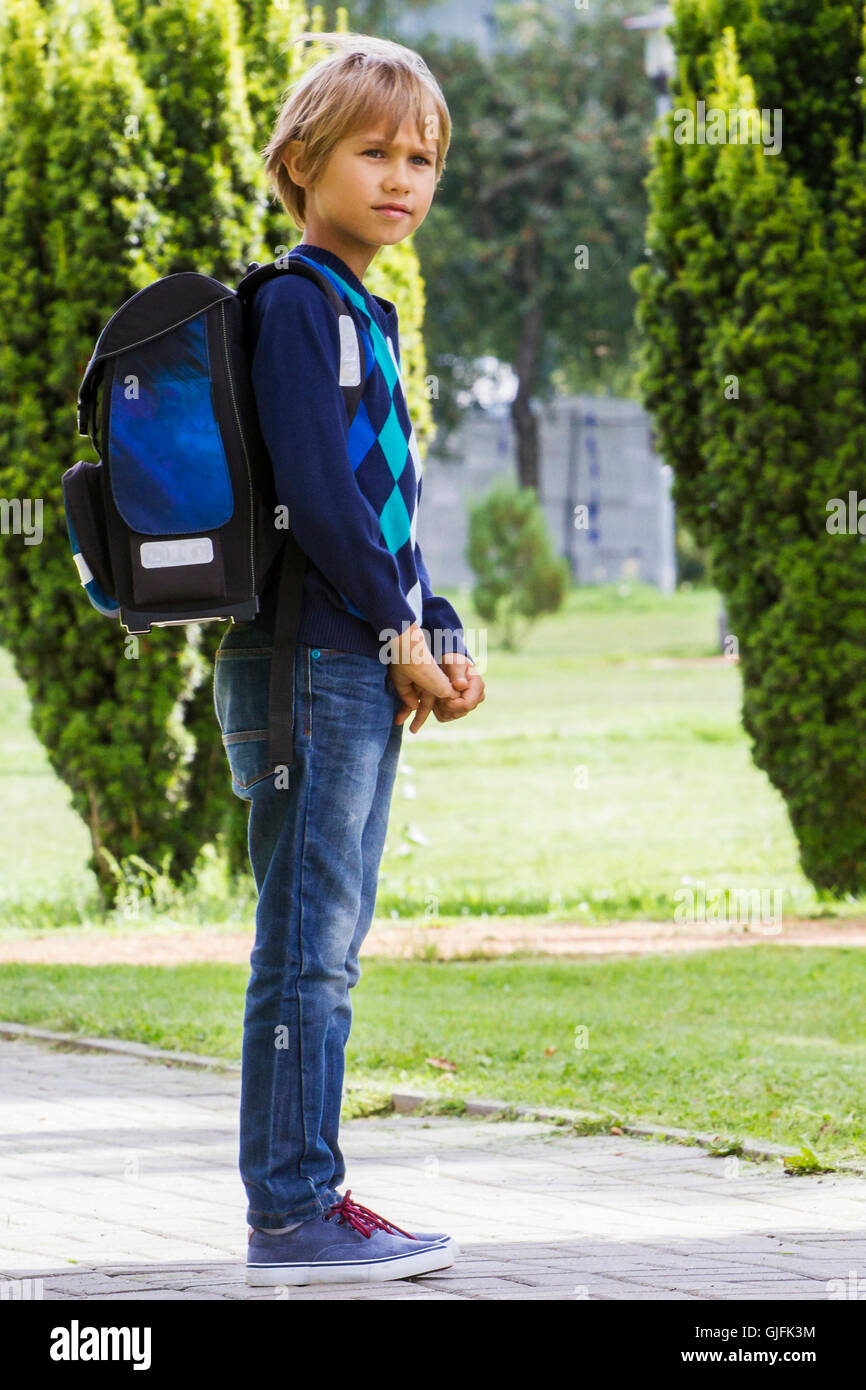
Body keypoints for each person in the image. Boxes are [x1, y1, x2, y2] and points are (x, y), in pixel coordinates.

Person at [213, 31, 486, 1287]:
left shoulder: (362, 317)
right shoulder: (290, 306)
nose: (401, 178)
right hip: (304, 666)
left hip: (350, 661)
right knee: (306, 945)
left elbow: (384, 508)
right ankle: (291, 1214)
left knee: (327, 940)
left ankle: (306, 1196)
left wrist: (437, 625)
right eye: (372, 152)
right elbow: (318, 501)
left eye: (421, 158)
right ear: (301, 162)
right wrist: (394, 633)